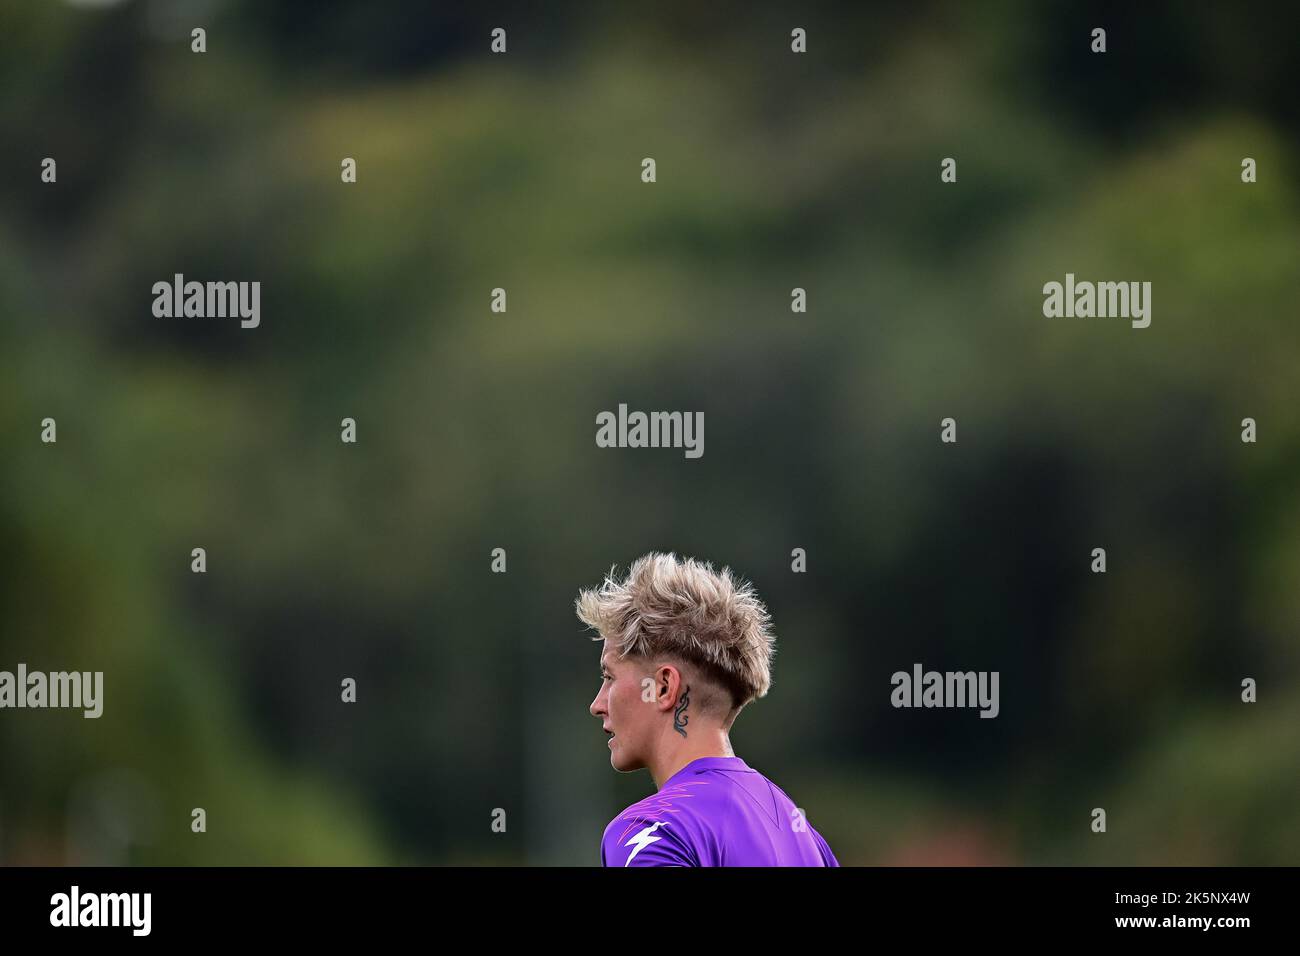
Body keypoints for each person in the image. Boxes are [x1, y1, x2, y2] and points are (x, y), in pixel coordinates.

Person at [578, 551, 838, 866]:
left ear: (664, 687)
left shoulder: (651, 832)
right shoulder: (804, 836)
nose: (597, 704)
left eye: (609, 677)